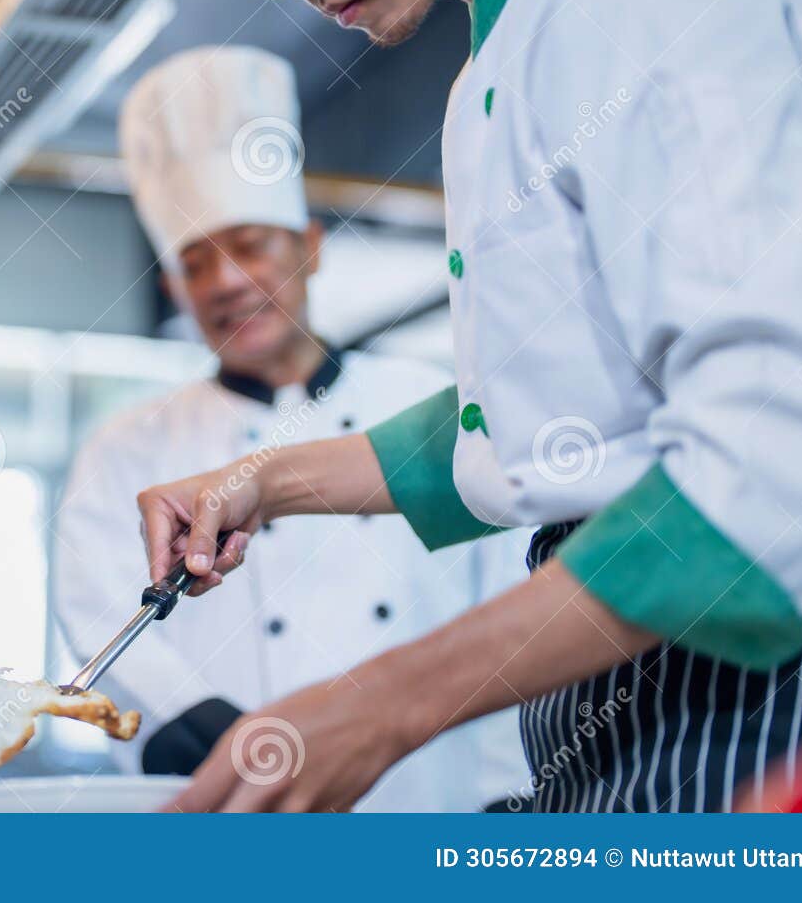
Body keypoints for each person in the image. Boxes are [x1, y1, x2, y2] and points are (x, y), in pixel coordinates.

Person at [121, 0, 802, 811]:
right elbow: (540, 420)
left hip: (780, 681)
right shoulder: (481, 80)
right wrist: (264, 482)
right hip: (629, 680)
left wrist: (384, 701)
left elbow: (761, 469)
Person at [53, 45, 531, 811]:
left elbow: (518, 607)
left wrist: (506, 802)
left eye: (249, 247)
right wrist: (226, 739)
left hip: (425, 808)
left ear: (309, 248)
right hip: (228, 811)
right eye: (195, 264)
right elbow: (95, 609)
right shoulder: (127, 449)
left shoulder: (436, 411)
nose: (227, 283)